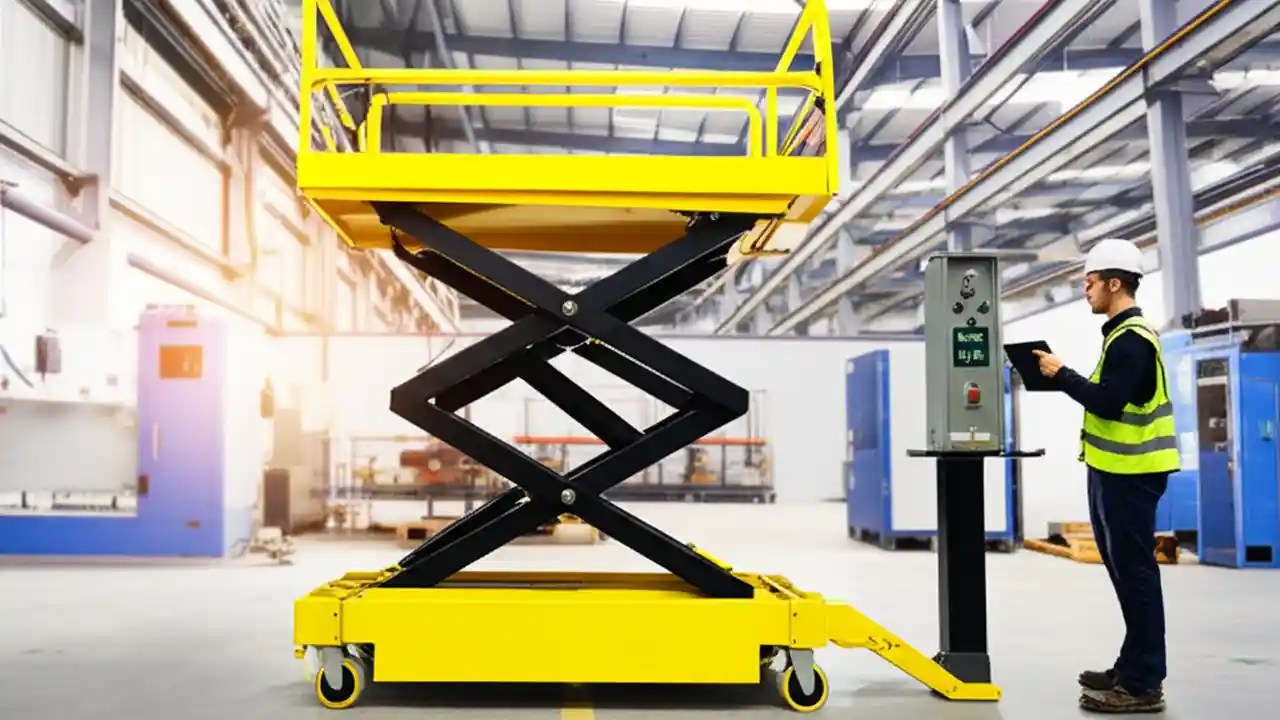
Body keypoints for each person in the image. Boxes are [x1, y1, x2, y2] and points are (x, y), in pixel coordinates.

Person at [1031, 237, 1179, 714]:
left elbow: (1108, 402)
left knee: (1136, 576)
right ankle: (1131, 666)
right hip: (1114, 471)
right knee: (1124, 574)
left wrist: (1061, 374)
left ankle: (1143, 684)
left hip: (1131, 474)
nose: (1086, 289)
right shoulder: (1119, 336)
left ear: (1115, 284)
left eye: (1090, 282)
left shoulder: (1133, 339)